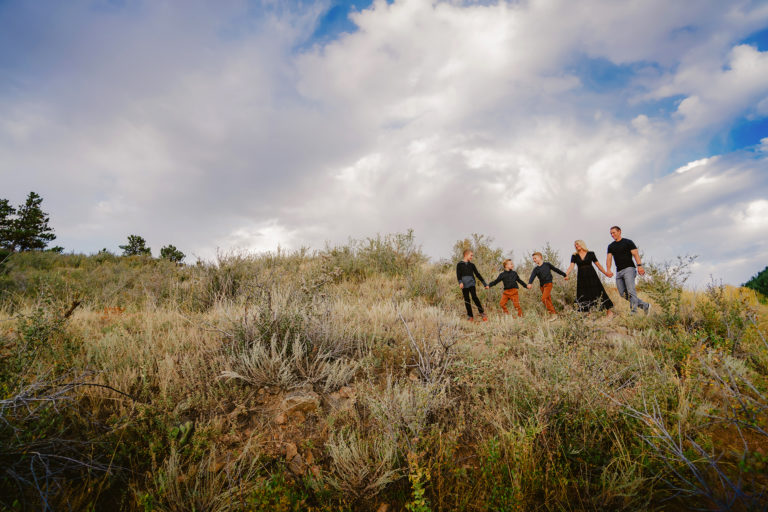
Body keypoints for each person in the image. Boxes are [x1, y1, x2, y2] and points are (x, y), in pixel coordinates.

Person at [605, 226, 651, 314]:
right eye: (611, 233)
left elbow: (636, 254)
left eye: (613, 232)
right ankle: (645, 306)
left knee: (631, 291)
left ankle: (633, 312)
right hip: (619, 272)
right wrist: (608, 269)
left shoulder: (628, 242)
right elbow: (609, 259)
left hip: (629, 269)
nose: (612, 235)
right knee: (623, 294)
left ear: (619, 232)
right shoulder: (611, 246)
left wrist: (639, 266)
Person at [564, 240, 614, 315]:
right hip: (581, 277)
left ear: (582, 244)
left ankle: (609, 311)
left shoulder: (591, 254)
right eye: (575, 245)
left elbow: (598, 265)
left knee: (598, 291)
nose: (576, 246)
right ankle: (588, 313)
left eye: (577, 244)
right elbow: (571, 266)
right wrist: (566, 274)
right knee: (583, 294)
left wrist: (606, 273)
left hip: (592, 275)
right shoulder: (574, 255)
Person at [527, 252, 566, 317]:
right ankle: (554, 314)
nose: (534, 260)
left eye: (535, 258)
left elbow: (556, 270)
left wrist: (564, 275)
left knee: (544, 299)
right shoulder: (536, 269)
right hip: (542, 286)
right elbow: (532, 276)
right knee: (548, 300)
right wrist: (529, 283)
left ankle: (553, 314)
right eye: (533, 259)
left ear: (540, 257)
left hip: (548, 284)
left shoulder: (547, 264)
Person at [457, 249, 489, 321]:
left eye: (472, 256)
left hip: (471, 283)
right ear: (466, 255)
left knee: (474, 297)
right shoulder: (459, 264)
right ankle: (470, 316)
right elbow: (458, 275)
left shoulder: (472, 265)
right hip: (464, 285)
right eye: (471, 255)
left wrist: (484, 284)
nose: (472, 257)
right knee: (467, 299)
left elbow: (477, 274)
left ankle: (482, 312)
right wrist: (460, 282)